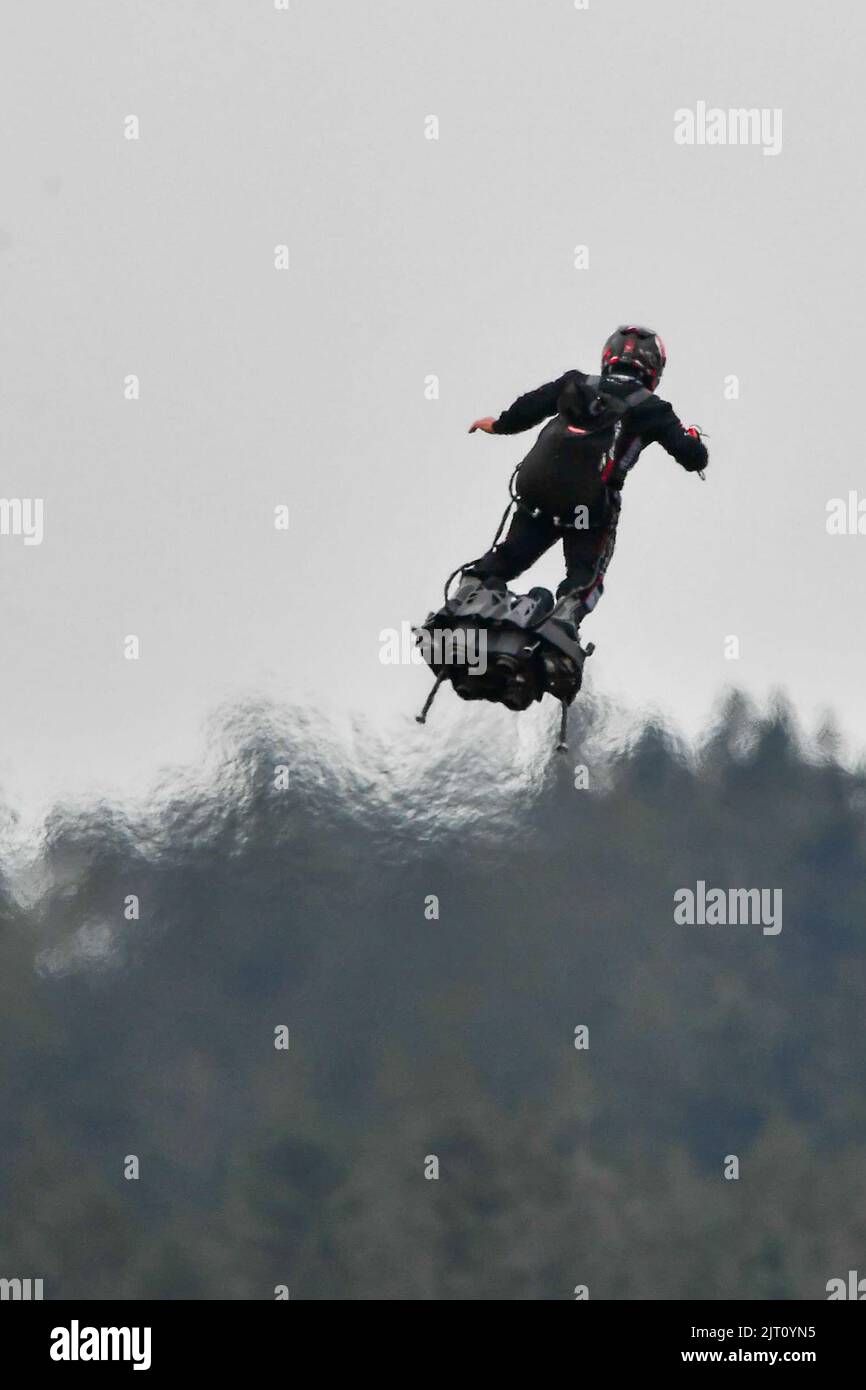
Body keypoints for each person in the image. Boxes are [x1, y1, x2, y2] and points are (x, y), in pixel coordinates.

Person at [459, 326, 708, 636]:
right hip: (587, 505)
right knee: (584, 572)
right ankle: (562, 619)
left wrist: (499, 424)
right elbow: (691, 456)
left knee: (511, 554)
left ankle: (472, 589)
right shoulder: (653, 408)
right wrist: (695, 439)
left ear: (609, 355)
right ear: (655, 368)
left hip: (537, 487)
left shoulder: (576, 382)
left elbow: (531, 405)